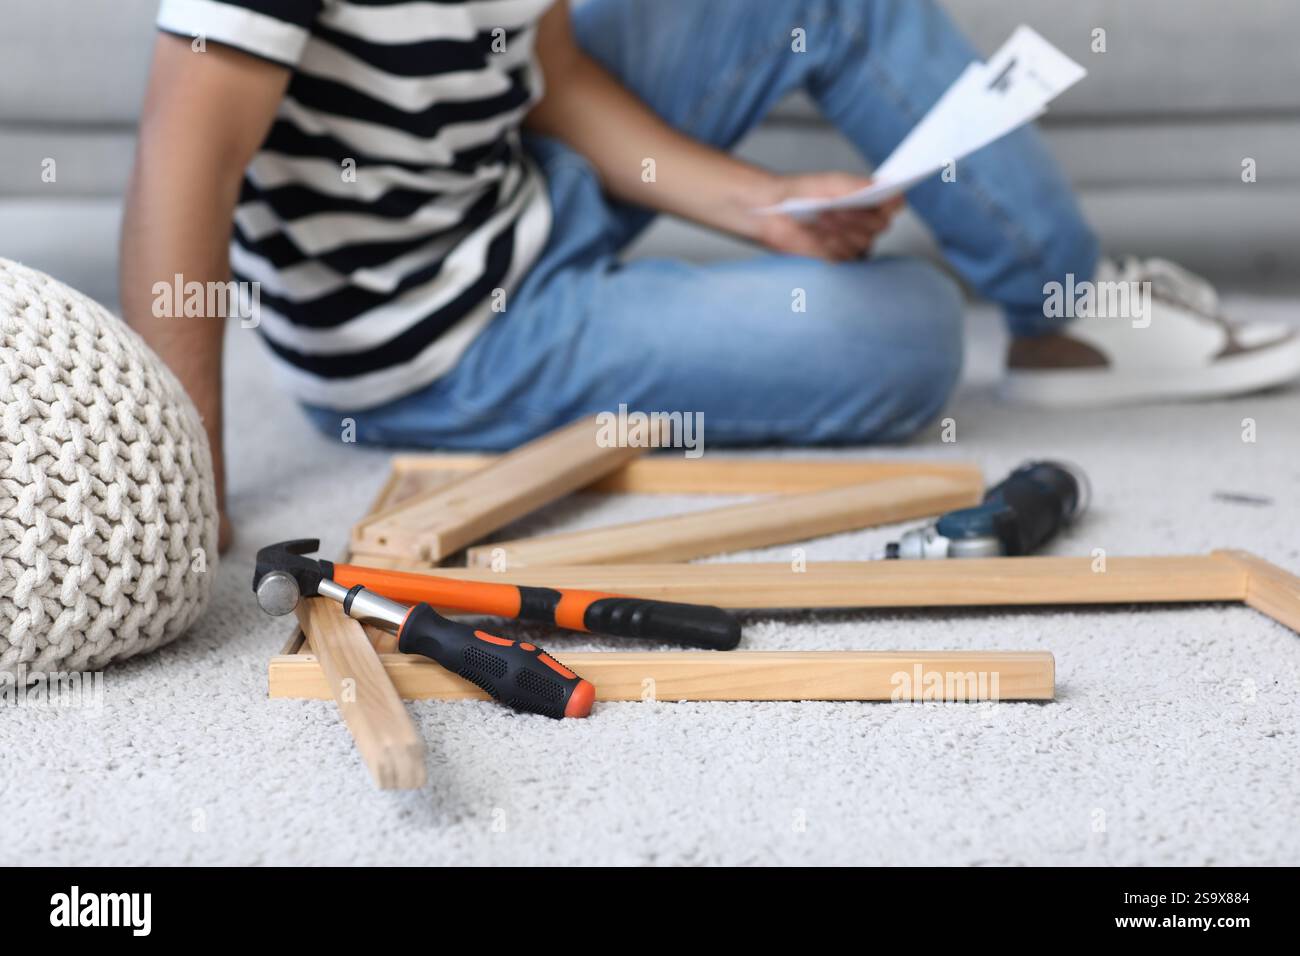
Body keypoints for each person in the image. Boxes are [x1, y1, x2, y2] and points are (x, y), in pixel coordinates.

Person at [121, 0, 1300, 551]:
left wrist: (751, 202)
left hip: (512, 199)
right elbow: (185, 163)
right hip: (428, 343)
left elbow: (556, 75)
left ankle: (1065, 312)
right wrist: (178, 482)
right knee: (909, 332)